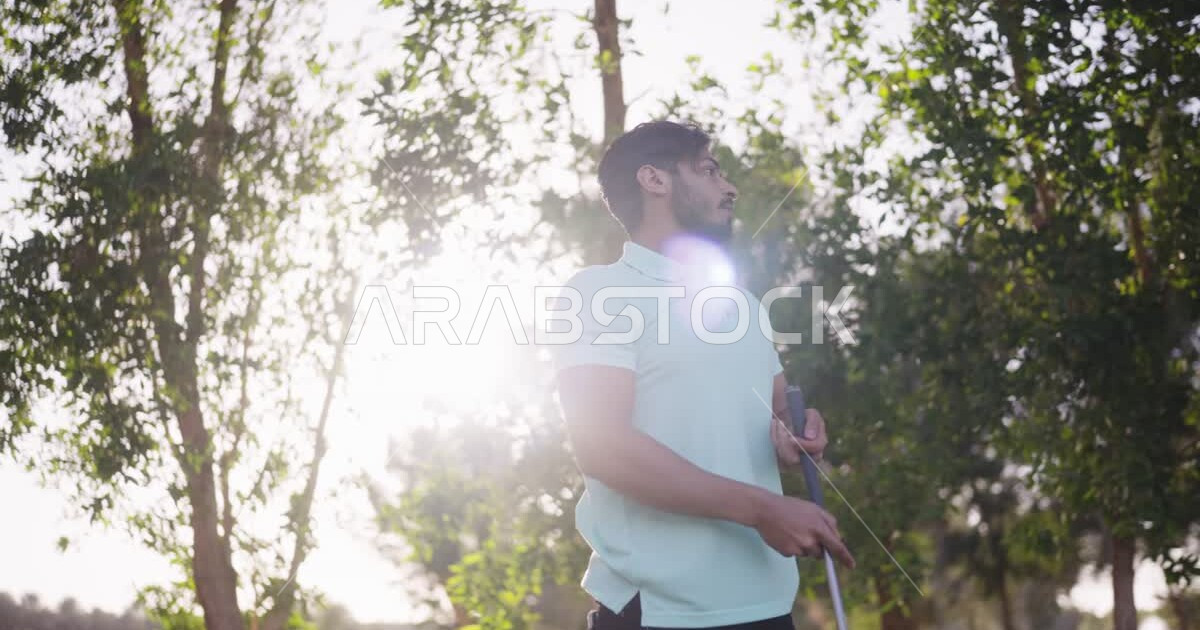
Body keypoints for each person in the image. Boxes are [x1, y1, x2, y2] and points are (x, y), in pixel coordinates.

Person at [544, 120, 855, 630]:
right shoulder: (598, 294)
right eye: (709, 170)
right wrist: (761, 509)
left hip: (768, 605)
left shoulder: (746, 306)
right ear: (654, 180)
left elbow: (775, 413)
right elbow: (603, 448)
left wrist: (793, 432)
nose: (729, 186)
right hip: (662, 612)